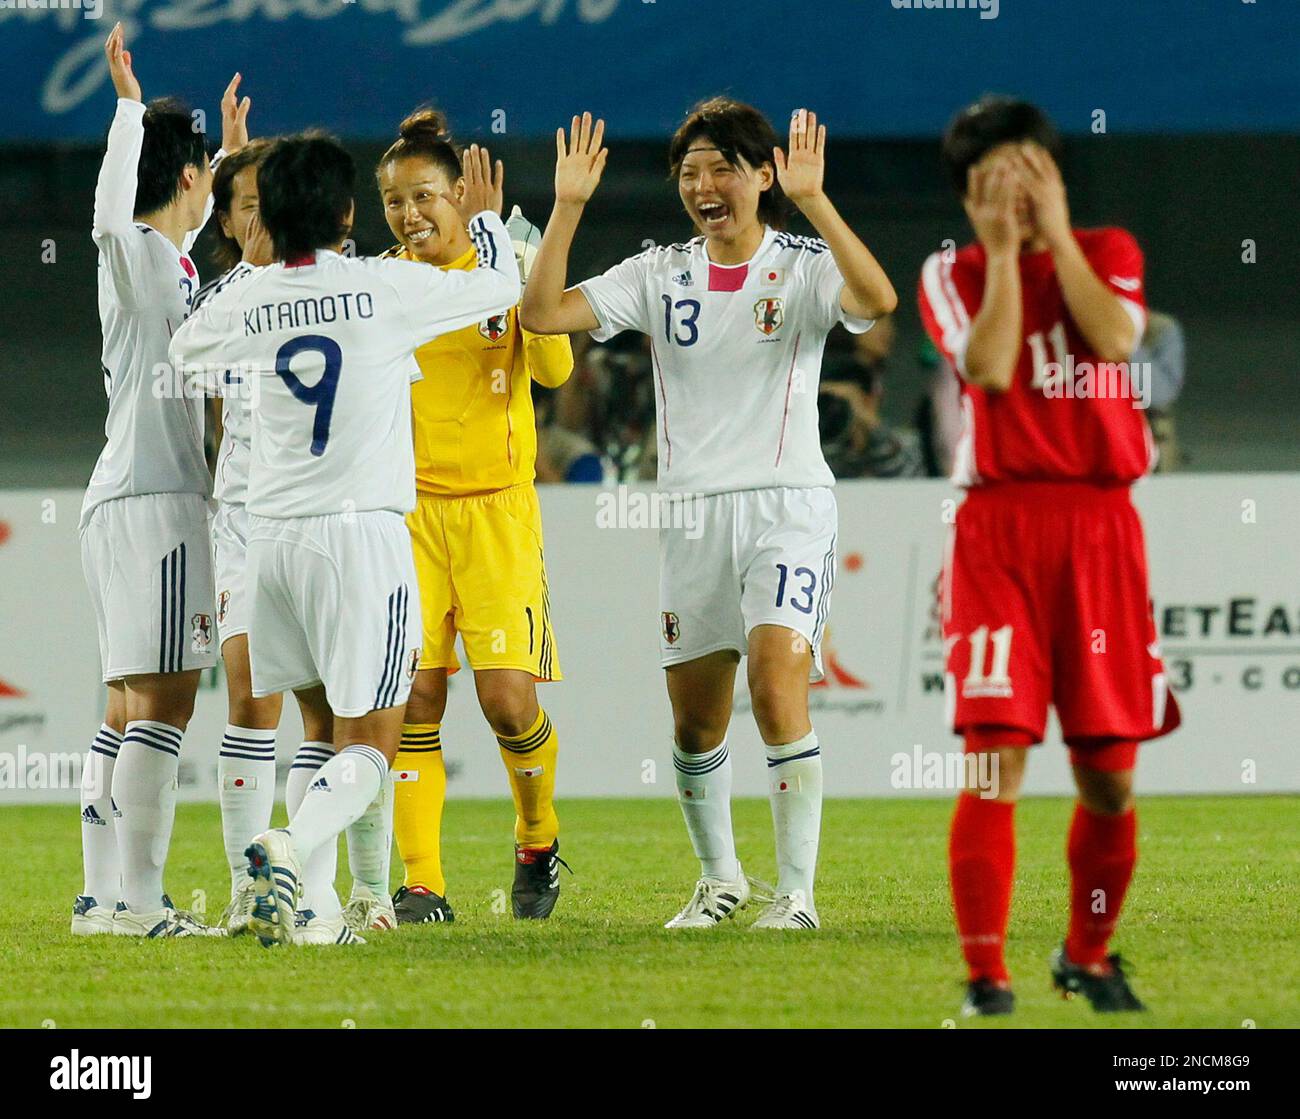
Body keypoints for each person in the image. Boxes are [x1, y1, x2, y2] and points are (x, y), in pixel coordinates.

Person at [522, 101, 897, 929]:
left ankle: (795, 893)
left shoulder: (802, 264)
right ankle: (720, 879)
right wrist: (568, 207)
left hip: (786, 507)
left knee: (775, 683)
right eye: (690, 173)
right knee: (696, 723)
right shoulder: (658, 272)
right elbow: (541, 314)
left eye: (722, 168)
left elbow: (877, 298)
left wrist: (818, 202)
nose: (704, 186)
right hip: (692, 515)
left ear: (764, 176)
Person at [170, 132, 520, 946]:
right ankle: (289, 845)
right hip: (361, 538)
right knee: (370, 740)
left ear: (267, 217)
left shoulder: (253, 294)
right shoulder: (383, 285)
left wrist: (254, 269)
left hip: (271, 542)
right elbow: (501, 286)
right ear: (348, 214)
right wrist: (486, 220)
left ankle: (319, 912)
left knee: (319, 725)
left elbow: (186, 349)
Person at [917, 96, 1181, 1016]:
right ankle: (987, 976)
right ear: (969, 194)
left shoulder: (1109, 250)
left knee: (1109, 770)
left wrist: (1057, 237)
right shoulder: (951, 272)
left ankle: (1087, 953)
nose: (1020, 191)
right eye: (1000, 178)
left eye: (1034, 169)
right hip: (1000, 530)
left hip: (1102, 528)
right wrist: (1001, 255)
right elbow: (990, 368)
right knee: (996, 757)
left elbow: (1115, 339)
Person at [374, 108, 574, 922]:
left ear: (462, 195)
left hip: (497, 515)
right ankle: (424, 882)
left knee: (508, 702)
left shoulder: (513, 266)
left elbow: (555, 370)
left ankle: (538, 837)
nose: (409, 214)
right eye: (393, 201)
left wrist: (518, 269)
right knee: (415, 697)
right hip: (407, 517)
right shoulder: (380, 283)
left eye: (423, 195)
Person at [196, 142, 397, 935]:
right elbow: (207, 394)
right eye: (245, 207)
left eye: (267, 203)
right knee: (253, 699)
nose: (261, 220)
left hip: (322, 516)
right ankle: (255, 889)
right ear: (228, 222)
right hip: (249, 521)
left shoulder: (345, 292)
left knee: (340, 715)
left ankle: (356, 892)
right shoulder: (231, 299)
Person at [74, 23, 247, 938]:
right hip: (159, 503)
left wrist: (231, 157)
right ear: (187, 177)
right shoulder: (138, 252)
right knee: (169, 704)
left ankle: (101, 896)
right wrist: (129, 112)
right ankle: (140, 901)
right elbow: (111, 219)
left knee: (125, 705)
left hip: (123, 497)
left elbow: (198, 242)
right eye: (208, 173)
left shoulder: (170, 263)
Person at [818, 317, 926, 479]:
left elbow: (913, 480)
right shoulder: (822, 375)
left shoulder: (900, 387)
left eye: (889, 322)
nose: (888, 330)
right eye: (876, 321)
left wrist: (871, 424)